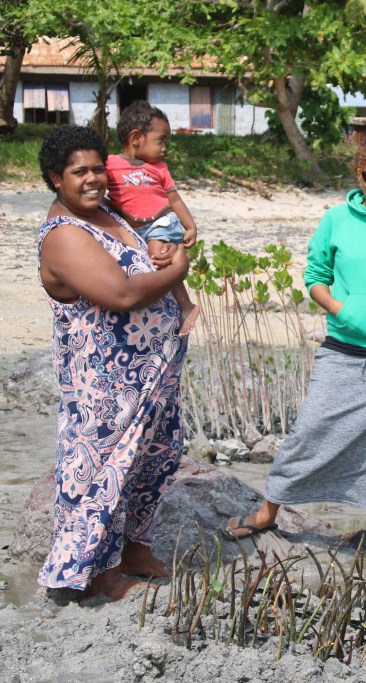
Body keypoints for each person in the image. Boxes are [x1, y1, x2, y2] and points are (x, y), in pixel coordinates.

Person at [225, 133, 366, 570]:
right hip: (343, 347)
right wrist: (338, 309)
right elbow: (315, 274)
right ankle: (267, 514)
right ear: (358, 176)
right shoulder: (335, 219)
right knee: (311, 428)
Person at [36, 125, 190, 600]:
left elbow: (152, 248)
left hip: (149, 374)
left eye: (98, 168)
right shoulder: (64, 234)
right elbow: (121, 294)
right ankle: (96, 573)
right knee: (103, 473)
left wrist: (166, 250)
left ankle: (134, 548)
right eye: (78, 171)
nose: (92, 179)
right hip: (104, 387)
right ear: (55, 179)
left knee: (155, 457)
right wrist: (179, 269)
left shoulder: (107, 213)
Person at [105, 100, 200, 336]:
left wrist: (190, 226)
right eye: (161, 140)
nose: (165, 147)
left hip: (161, 221)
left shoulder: (159, 168)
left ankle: (185, 305)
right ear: (136, 138)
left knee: (159, 257)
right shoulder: (110, 164)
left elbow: (174, 200)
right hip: (131, 227)